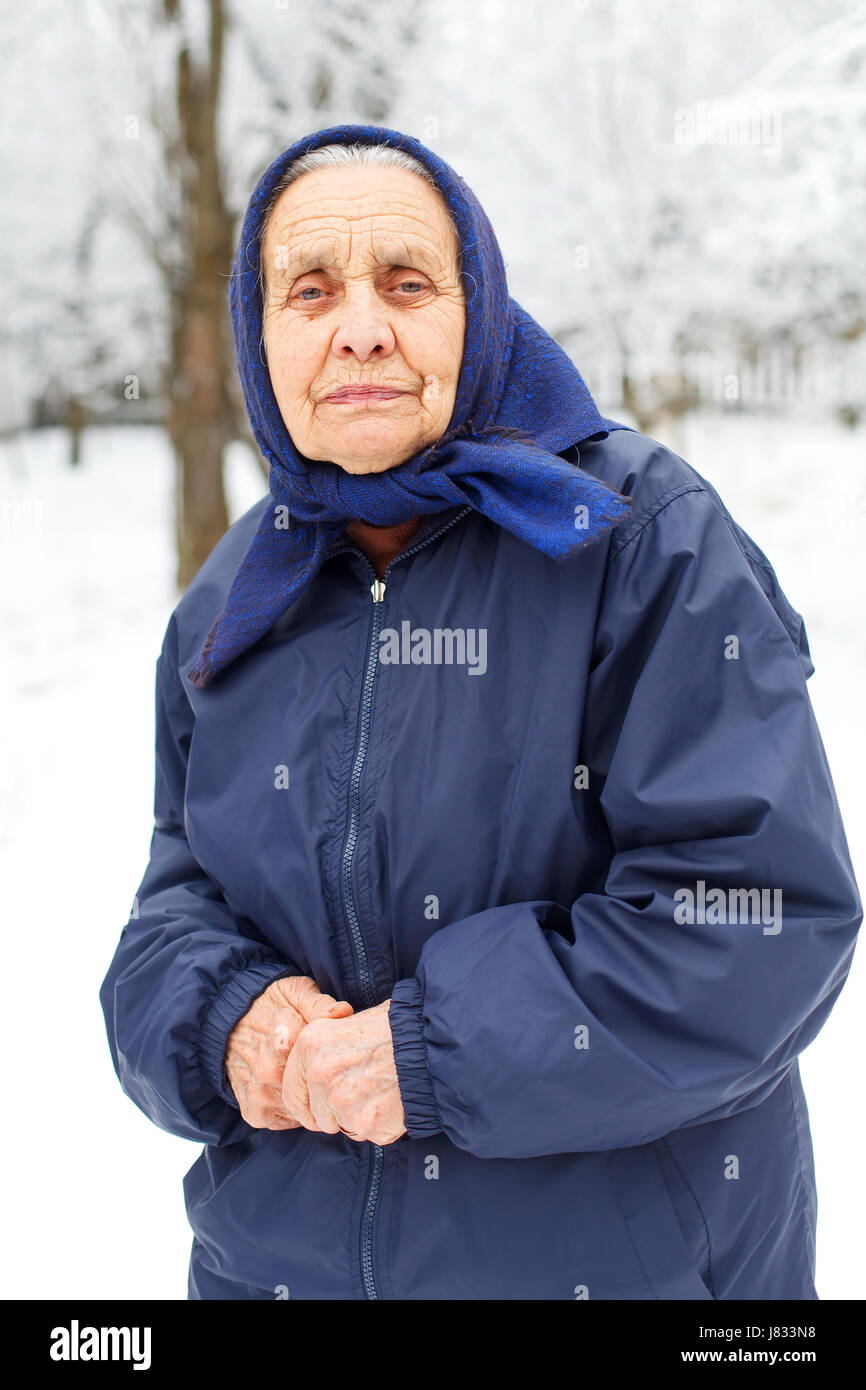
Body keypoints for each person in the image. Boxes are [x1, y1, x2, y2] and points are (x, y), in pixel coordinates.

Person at [100, 123, 862, 1301]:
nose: (359, 324)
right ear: (261, 336)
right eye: (309, 288)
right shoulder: (232, 593)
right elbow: (174, 908)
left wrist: (431, 1054)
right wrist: (221, 1017)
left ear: (482, 311)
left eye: (406, 282)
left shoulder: (634, 537)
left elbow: (761, 917)